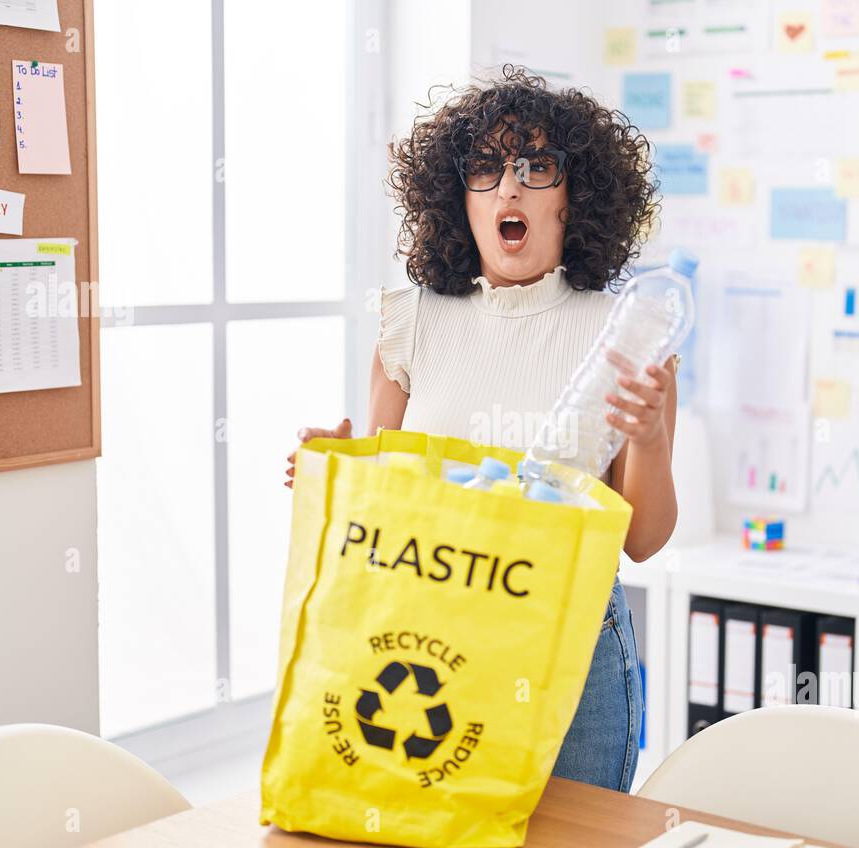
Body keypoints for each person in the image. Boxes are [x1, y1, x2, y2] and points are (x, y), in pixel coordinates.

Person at [288, 65, 678, 793]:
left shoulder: (626, 335)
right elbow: (386, 503)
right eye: (487, 169)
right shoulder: (411, 322)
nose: (510, 188)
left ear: (575, 197)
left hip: (574, 656)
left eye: (538, 167)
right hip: (434, 643)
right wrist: (334, 467)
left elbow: (644, 541)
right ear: (457, 198)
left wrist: (650, 438)